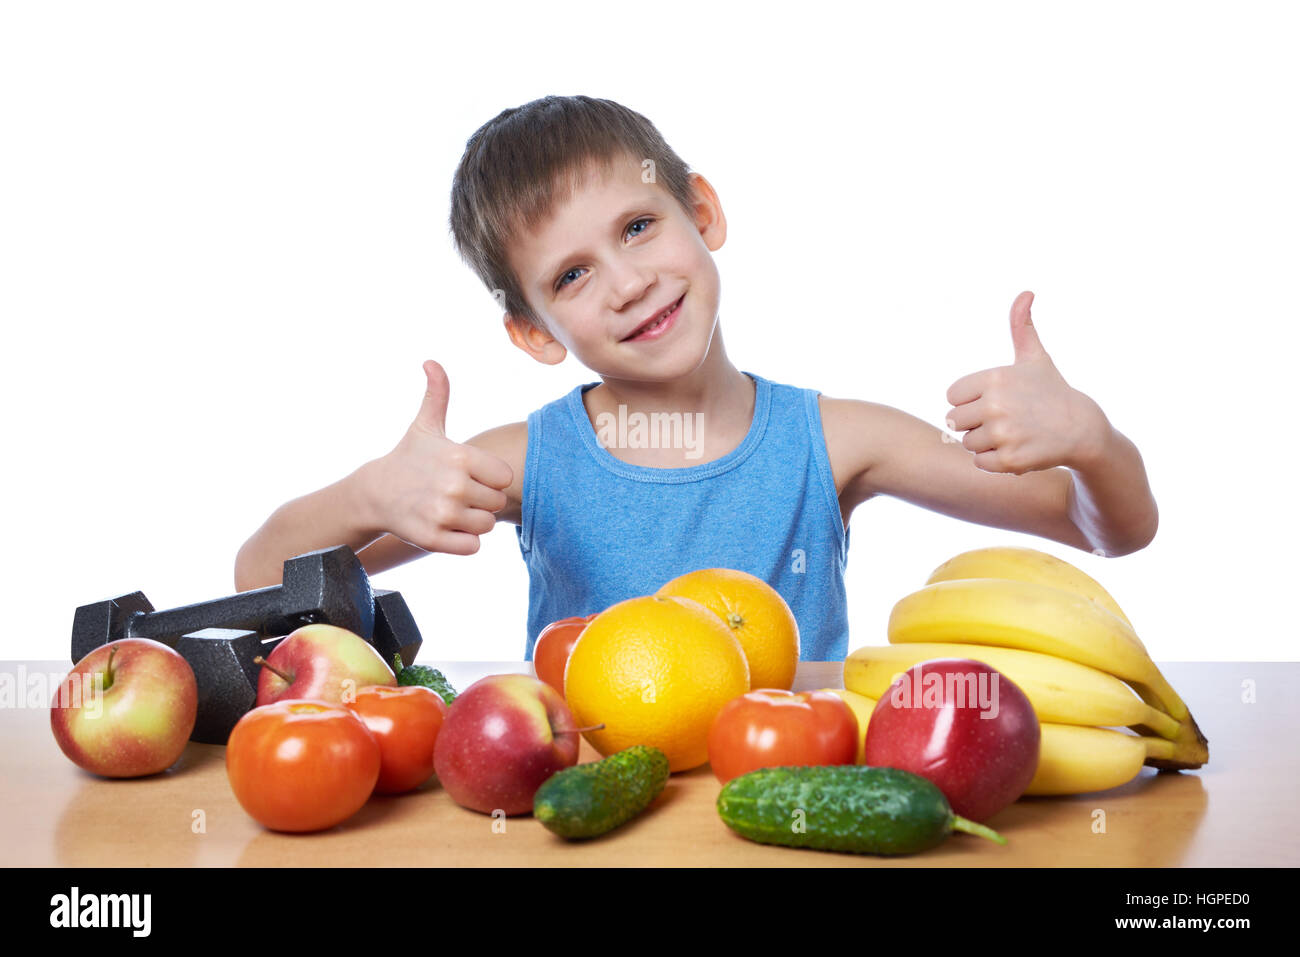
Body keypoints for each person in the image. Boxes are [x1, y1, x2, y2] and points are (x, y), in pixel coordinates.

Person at [234, 94, 1158, 662]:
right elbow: (259, 577)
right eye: (572, 275)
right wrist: (369, 494)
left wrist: (1091, 439)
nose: (629, 281)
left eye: (637, 226)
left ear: (702, 210)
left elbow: (1103, 526)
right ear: (533, 333)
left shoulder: (837, 441)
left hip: (792, 811)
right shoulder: (524, 462)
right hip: (595, 825)